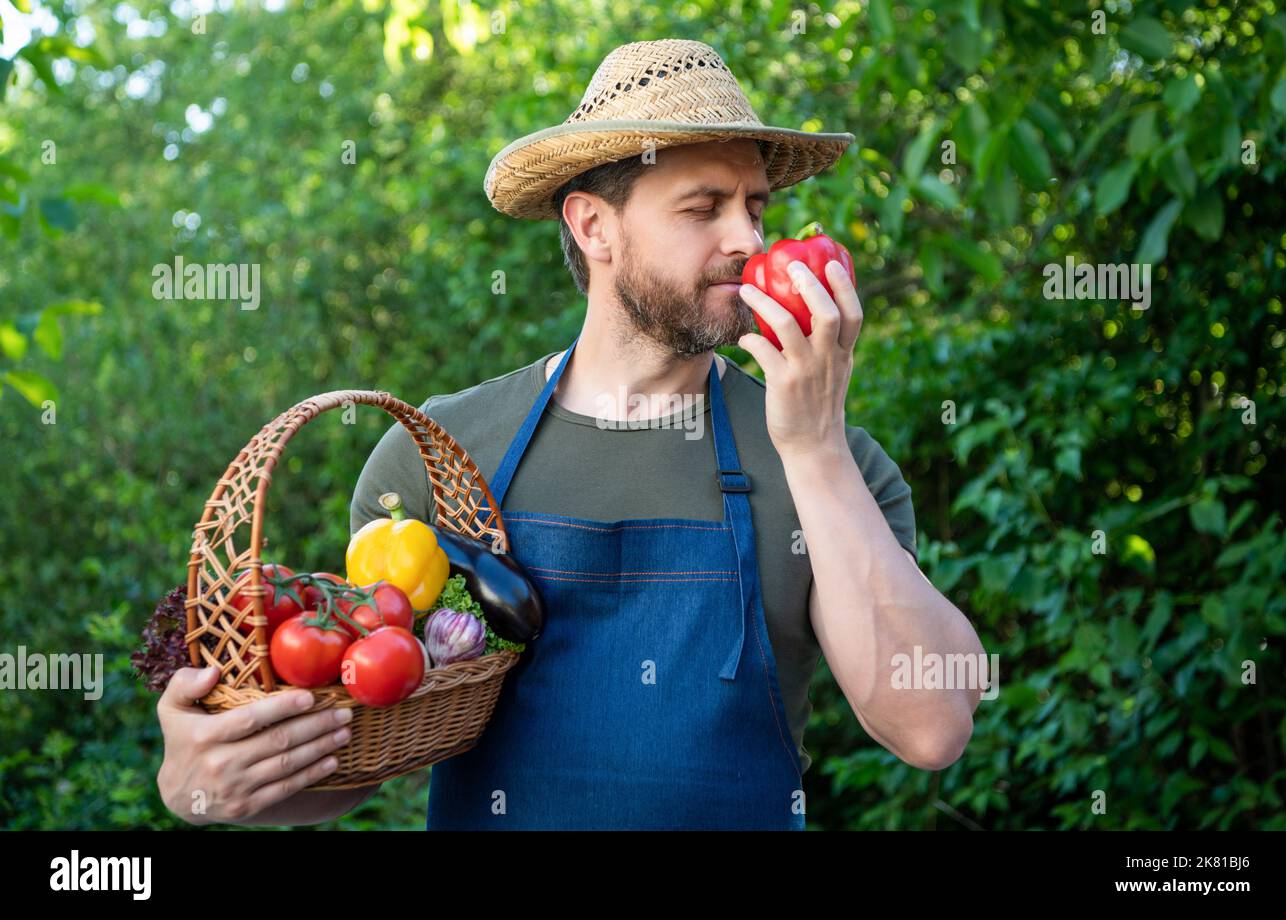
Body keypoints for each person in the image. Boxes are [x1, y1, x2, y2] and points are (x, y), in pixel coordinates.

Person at [155, 38, 985, 830]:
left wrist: (815, 446)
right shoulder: (439, 451)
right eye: (704, 208)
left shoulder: (832, 462)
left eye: (755, 206)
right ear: (594, 227)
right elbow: (362, 756)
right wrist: (214, 785)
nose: (749, 240)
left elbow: (933, 727)